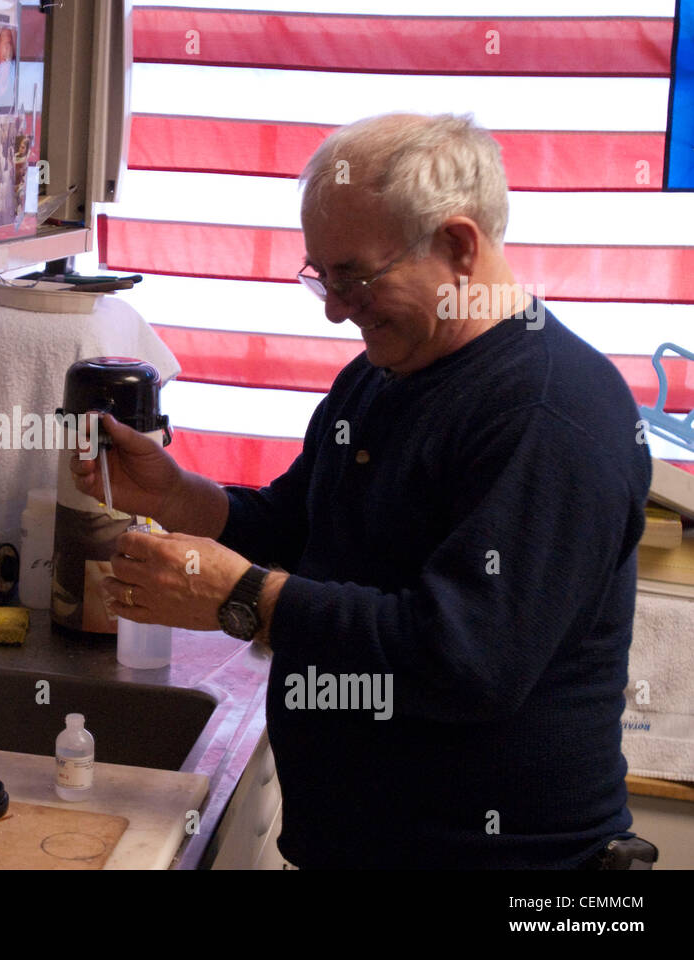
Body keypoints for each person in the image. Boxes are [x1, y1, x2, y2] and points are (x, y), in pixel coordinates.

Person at [73, 113, 652, 869]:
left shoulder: (547, 412)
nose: (335, 307)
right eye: (321, 275)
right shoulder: (386, 373)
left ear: (458, 246)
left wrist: (241, 597)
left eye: (355, 276)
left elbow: (464, 660)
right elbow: (299, 527)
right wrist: (181, 494)